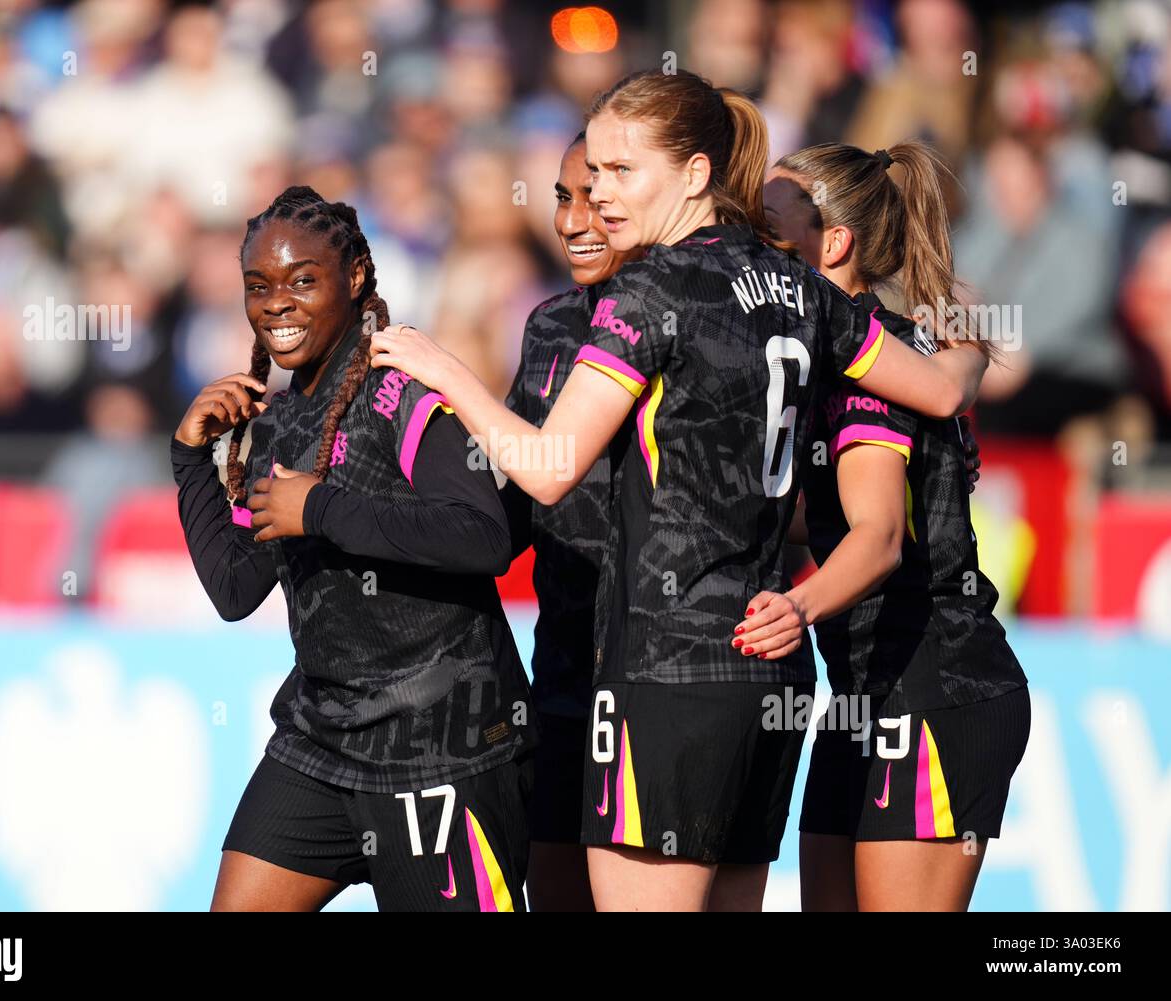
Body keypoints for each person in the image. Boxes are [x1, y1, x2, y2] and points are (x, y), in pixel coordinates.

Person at [368, 70, 988, 911]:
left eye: (623, 174)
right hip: (771, 672)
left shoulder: (651, 288)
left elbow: (550, 466)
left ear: (695, 175)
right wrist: (969, 344)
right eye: (594, 177)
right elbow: (942, 392)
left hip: (666, 669)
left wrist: (447, 376)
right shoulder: (797, 287)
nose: (601, 196)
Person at [171, 186, 535, 912]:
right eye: (258, 286)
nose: (278, 303)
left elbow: (486, 535)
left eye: (302, 280)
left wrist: (324, 509)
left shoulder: (403, 393)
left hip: (445, 751)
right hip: (319, 745)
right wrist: (189, 461)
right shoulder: (277, 423)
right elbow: (236, 590)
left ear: (357, 278)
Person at [750, 141, 1029, 910]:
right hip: (861, 692)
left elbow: (877, 539)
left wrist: (795, 605)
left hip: (936, 682)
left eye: (770, 232)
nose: (752, 251)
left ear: (833, 243)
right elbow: (829, 511)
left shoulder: (870, 361)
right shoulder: (838, 357)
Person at [499, 131, 640, 910]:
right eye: (561, 196)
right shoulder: (550, 325)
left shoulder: (697, 319)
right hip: (561, 677)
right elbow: (511, 506)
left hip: (663, 685)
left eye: (595, 196)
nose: (575, 219)